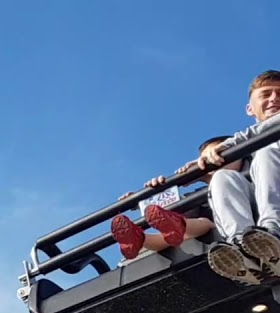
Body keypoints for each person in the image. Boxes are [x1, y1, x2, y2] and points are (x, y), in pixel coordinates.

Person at [195, 70, 280, 283]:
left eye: (279, 94)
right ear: (250, 108)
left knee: (266, 151)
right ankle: (244, 250)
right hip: (259, 211)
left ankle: (273, 235)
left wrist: (230, 144)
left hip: (273, 219)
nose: (274, 99)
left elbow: (261, 132)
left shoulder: (253, 144)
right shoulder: (248, 156)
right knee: (223, 177)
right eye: (266, 94)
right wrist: (203, 165)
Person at [109, 137, 237, 262]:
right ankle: (139, 237)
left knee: (203, 223)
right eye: (204, 159)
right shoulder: (198, 194)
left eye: (218, 153)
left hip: (224, 227)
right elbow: (177, 206)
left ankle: (176, 225)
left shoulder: (246, 178)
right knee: (173, 234)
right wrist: (148, 197)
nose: (211, 160)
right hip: (193, 232)